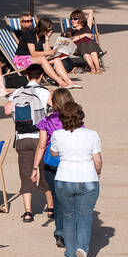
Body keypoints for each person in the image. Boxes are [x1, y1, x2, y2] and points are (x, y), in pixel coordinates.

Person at [47, 97, 103, 257]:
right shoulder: (91, 134)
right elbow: (98, 160)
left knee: (68, 217)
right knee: (85, 217)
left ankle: (70, 254)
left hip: (64, 178)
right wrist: (97, 173)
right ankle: (82, 249)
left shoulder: (57, 134)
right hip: (87, 177)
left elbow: (54, 153)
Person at [6, 64, 54, 222]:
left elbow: (7, 110)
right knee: (45, 172)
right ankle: (51, 208)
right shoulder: (44, 92)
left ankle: (28, 212)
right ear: (41, 76)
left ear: (26, 76)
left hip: (22, 138)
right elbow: (58, 106)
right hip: (41, 137)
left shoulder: (18, 92)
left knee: (25, 175)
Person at [31, 87, 76, 243]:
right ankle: (70, 229)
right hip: (71, 162)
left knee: (58, 199)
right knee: (70, 198)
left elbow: (42, 145)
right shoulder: (75, 120)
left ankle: (60, 231)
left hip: (52, 164)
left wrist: (35, 167)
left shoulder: (48, 121)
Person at [17, 16, 79, 87]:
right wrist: (49, 53)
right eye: (49, 30)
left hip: (36, 59)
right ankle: (60, 82)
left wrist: (47, 38)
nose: (51, 31)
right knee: (42, 59)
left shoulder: (42, 35)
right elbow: (33, 53)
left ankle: (69, 81)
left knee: (56, 58)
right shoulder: (30, 34)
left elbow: (47, 51)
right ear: (42, 28)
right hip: (21, 60)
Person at [65, 9, 103, 74]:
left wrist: (80, 12)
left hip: (90, 43)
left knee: (92, 47)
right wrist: (84, 35)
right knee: (83, 45)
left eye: (75, 19)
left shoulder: (87, 27)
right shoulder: (70, 29)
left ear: (80, 19)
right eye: (71, 19)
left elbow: (91, 11)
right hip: (78, 46)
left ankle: (98, 68)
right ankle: (92, 68)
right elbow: (70, 40)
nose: (72, 20)